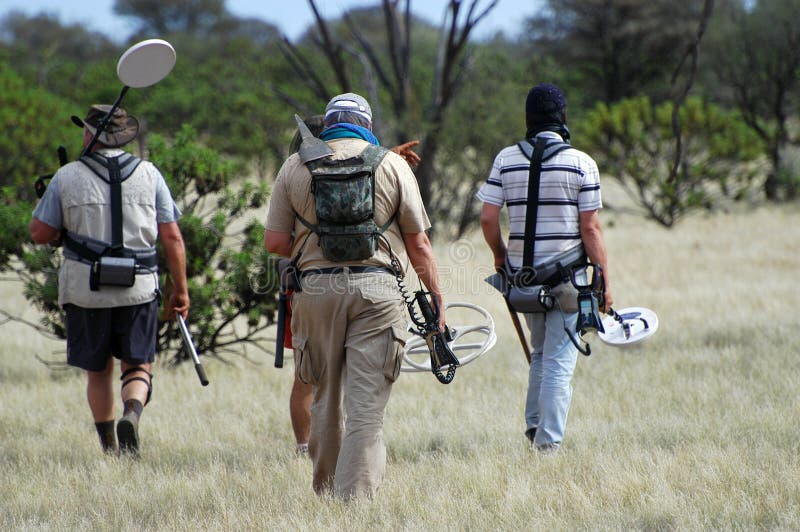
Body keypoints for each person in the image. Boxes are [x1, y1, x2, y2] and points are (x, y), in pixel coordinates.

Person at [265, 93, 444, 498]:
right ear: (366, 124)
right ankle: (355, 505)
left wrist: (312, 239)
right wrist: (435, 297)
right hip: (378, 293)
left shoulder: (295, 165)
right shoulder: (392, 163)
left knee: (325, 400)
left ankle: (327, 496)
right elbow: (419, 245)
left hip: (315, 292)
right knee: (366, 409)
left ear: (328, 124)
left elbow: (275, 242)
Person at [29, 104, 189, 455]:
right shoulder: (149, 173)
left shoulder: (67, 176)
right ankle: (132, 413)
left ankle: (109, 448)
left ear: (90, 135)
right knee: (138, 365)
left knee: (98, 371)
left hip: (85, 291)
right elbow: (173, 238)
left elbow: (40, 233)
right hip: (139, 289)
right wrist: (180, 289)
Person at [477, 83, 613, 453]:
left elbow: (489, 217)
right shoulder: (582, 163)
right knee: (558, 362)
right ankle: (547, 447)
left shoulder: (505, 159)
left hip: (523, 281)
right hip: (568, 281)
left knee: (539, 354)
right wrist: (603, 280)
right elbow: (590, 228)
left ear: (529, 119)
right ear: (563, 118)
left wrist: (500, 257)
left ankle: (535, 430)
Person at [284, 115, 423, 456]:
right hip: (368, 282)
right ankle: (344, 453)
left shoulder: (295, 170)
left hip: (309, 280)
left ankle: (308, 449)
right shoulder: (315, 166)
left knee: (311, 373)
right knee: (348, 382)